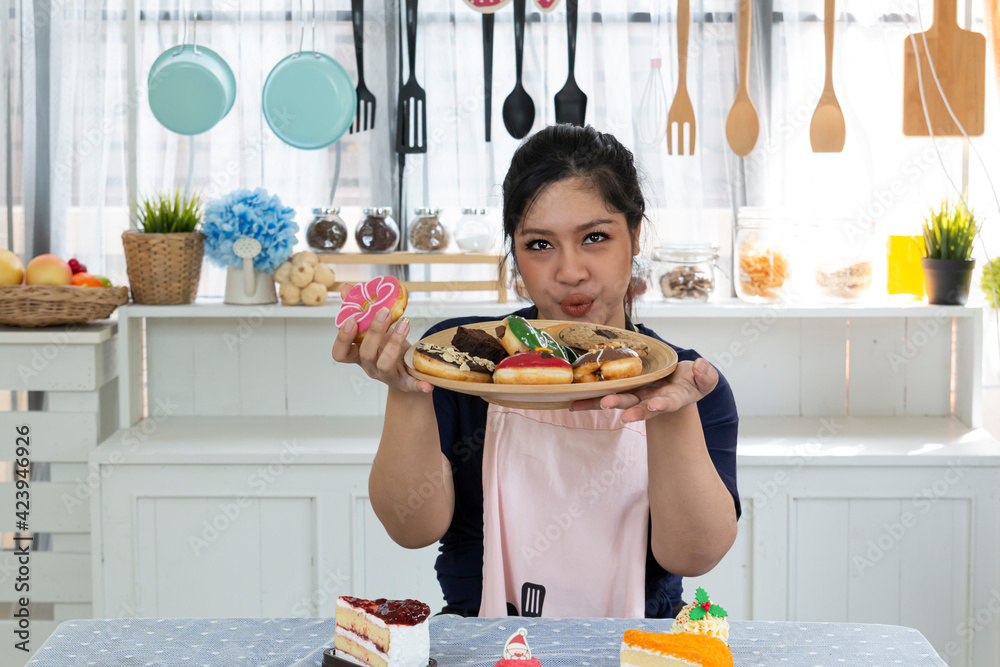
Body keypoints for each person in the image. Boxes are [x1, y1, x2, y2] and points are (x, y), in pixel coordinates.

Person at [332, 124, 739, 619]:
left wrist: (671, 415)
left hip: (637, 652)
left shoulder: (683, 382)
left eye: (595, 237)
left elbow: (694, 557)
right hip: (479, 647)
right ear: (515, 254)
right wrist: (409, 391)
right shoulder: (465, 363)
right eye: (540, 244)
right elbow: (409, 528)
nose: (570, 271)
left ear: (634, 237)